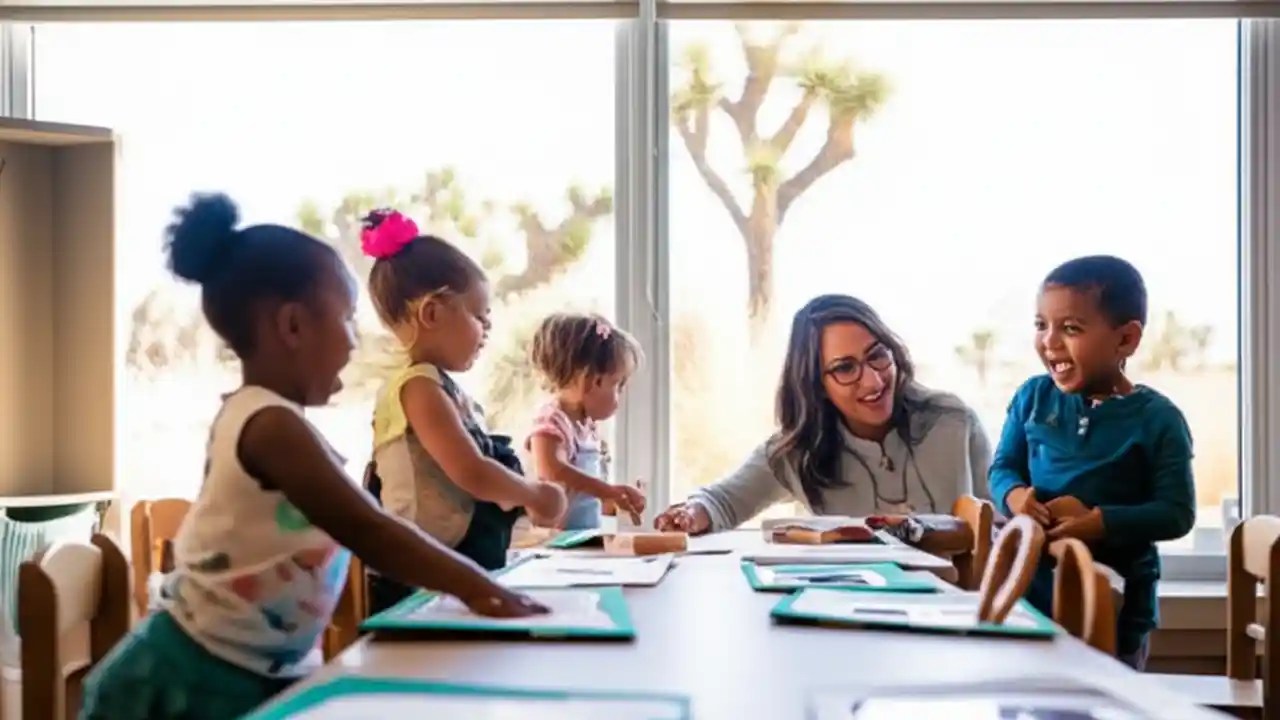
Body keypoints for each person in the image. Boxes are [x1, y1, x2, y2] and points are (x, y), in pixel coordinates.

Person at [81, 194, 547, 720]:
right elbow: (368, 528)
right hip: (192, 673)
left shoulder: (279, 422)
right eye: (346, 319)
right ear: (293, 326)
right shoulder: (271, 426)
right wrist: (478, 587)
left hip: (250, 670)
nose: (353, 341)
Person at [989, 255, 1195, 670]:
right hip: (1029, 600)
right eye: (1040, 325)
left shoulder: (1158, 420)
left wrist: (1100, 523)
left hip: (1115, 612)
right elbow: (1002, 468)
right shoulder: (1032, 398)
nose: (1050, 341)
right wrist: (1014, 498)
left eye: (1070, 328)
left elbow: (1176, 514)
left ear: (1126, 340)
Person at [360, 209, 566, 613]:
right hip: (418, 581)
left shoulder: (438, 386)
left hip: (444, 571)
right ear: (433, 313)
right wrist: (534, 494)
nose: (487, 329)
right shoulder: (419, 387)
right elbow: (470, 472)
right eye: (479, 315)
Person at [655, 294, 991, 534]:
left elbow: (1005, 532)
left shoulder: (954, 422)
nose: (873, 380)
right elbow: (722, 501)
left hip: (955, 617)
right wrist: (692, 513)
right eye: (845, 368)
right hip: (850, 617)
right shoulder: (799, 451)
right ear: (816, 384)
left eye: (877, 355)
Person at [526, 313, 646, 529]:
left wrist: (615, 500)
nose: (620, 396)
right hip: (554, 543)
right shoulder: (552, 421)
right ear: (590, 379)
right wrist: (607, 490)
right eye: (617, 385)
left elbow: (582, 496)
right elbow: (552, 469)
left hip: (582, 539)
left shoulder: (586, 428)